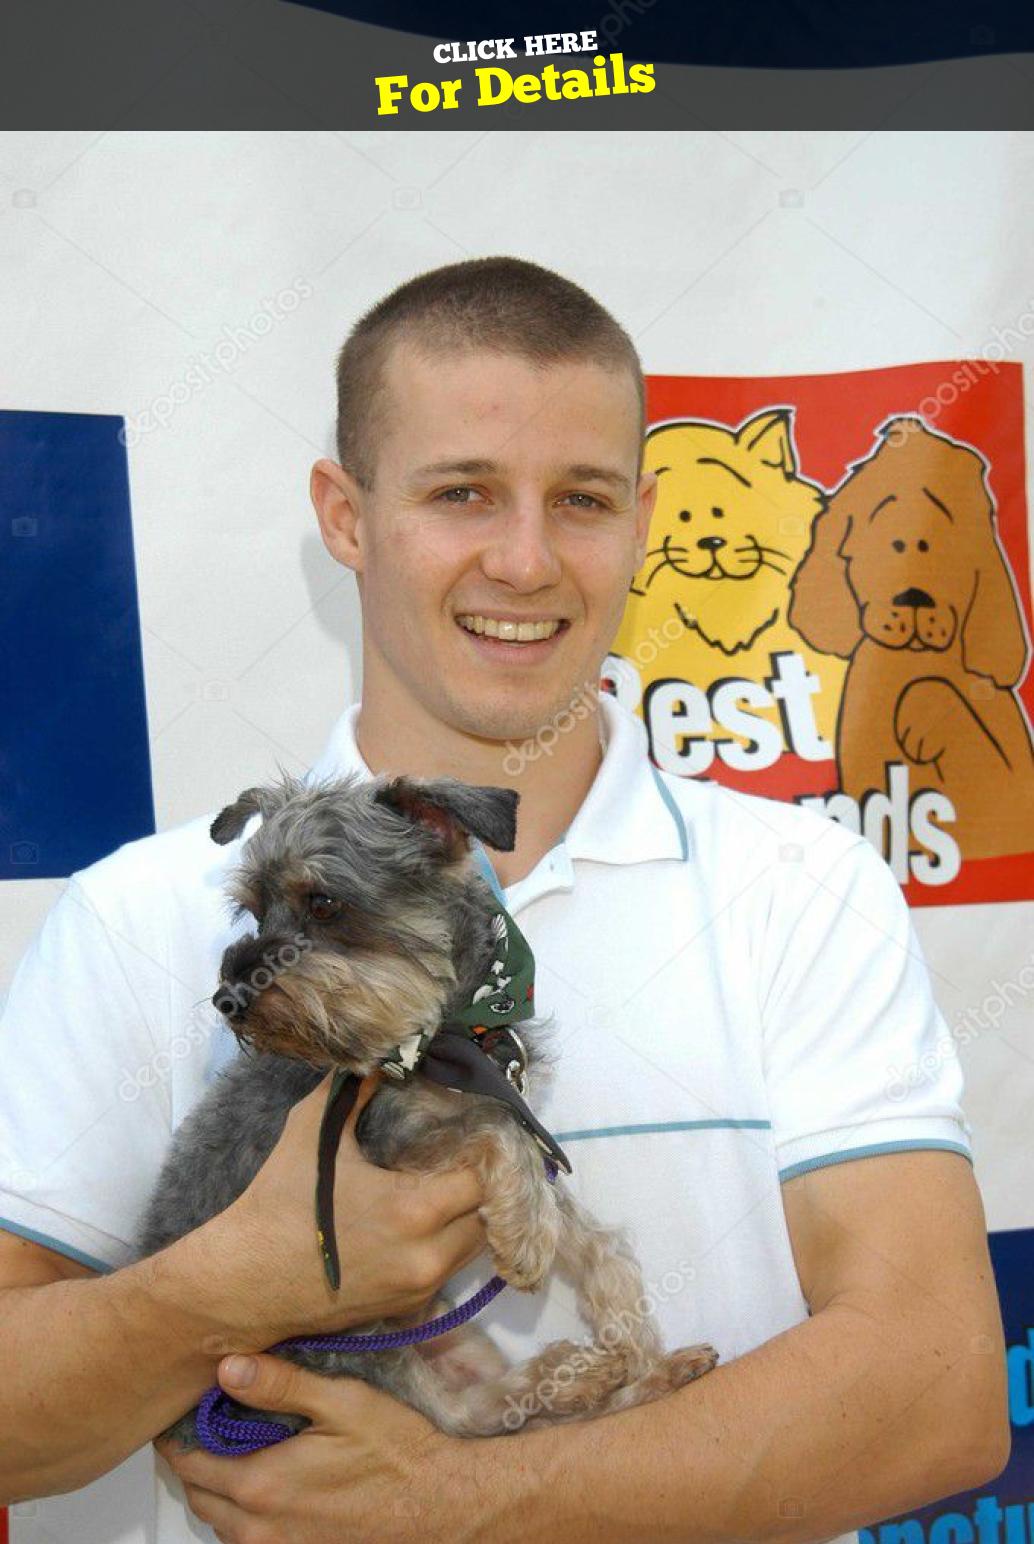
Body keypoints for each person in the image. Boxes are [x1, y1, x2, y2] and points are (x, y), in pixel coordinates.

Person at [0, 255, 1008, 1544]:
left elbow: (938, 1392)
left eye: (581, 499)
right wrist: (221, 1288)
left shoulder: (802, 891)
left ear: (642, 520)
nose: (525, 561)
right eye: (462, 492)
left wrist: (453, 1501)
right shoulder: (138, 917)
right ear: (347, 514)